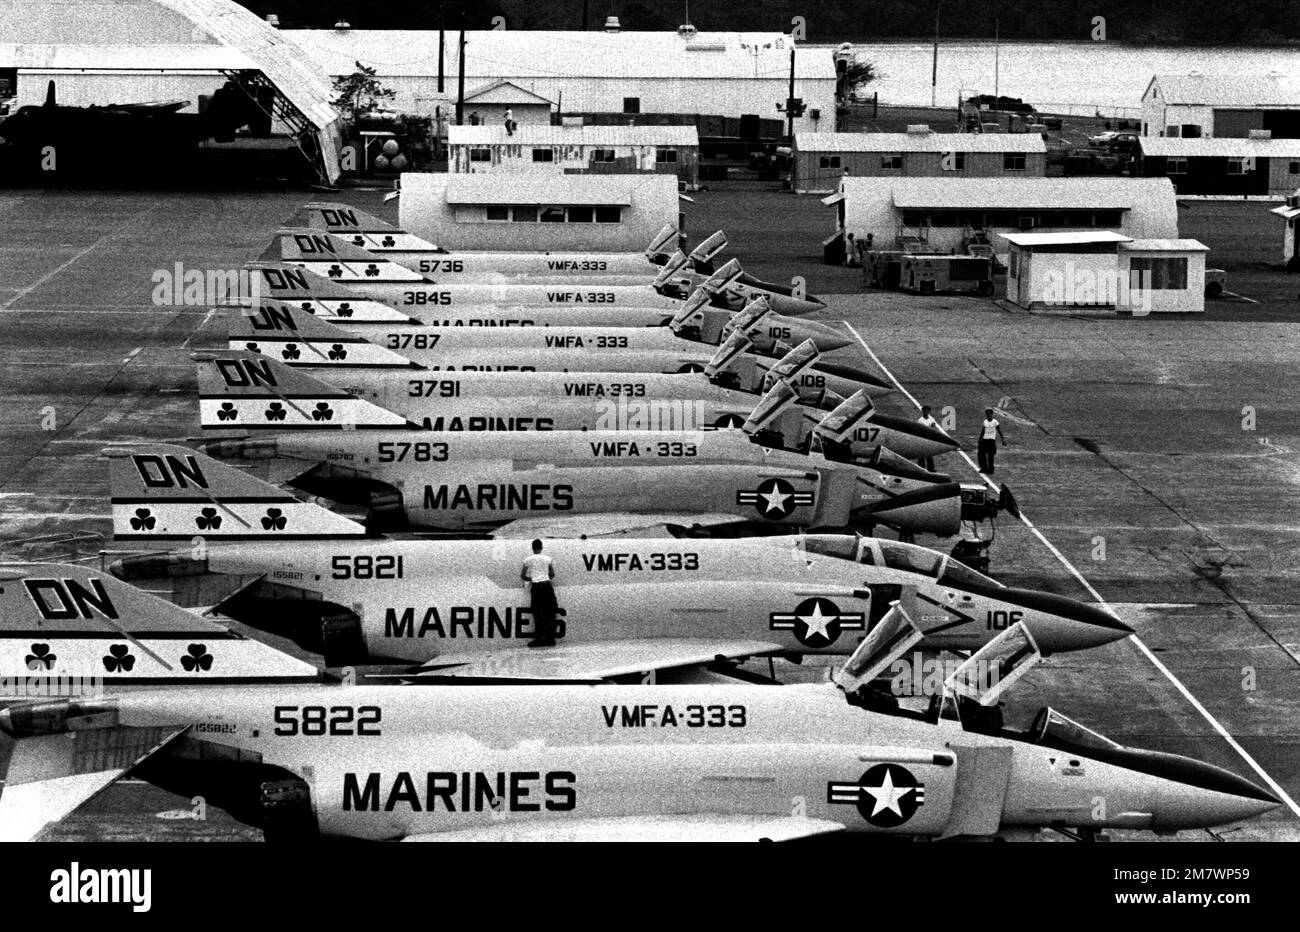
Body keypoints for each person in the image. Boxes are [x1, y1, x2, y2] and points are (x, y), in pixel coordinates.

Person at [521, 539, 557, 647]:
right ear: (541, 548)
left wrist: (532, 579)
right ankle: (551, 638)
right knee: (550, 612)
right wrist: (545, 578)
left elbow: (522, 575)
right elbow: (552, 573)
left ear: (532, 548)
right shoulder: (547, 559)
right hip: (547, 585)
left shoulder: (528, 560)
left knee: (538, 613)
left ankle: (539, 639)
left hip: (536, 586)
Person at [977, 408, 1007, 474]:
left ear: (991, 414)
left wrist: (1003, 439)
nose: (987, 415)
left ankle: (990, 470)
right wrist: (980, 438)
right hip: (985, 440)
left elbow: (999, 431)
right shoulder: (985, 422)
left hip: (991, 441)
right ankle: (984, 468)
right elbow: (983, 431)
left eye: (989, 414)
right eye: (986, 414)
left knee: (990, 456)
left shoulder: (995, 422)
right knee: (982, 455)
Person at [917, 405, 941, 472]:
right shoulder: (920, 420)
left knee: (929, 454)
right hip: (922, 439)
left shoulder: (931, 419)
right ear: (923, 411)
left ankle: (930, 468)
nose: (926, 412)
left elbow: (933, 427)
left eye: (927, 411)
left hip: (929, 439)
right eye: (925, 411)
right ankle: (921, 468)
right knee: (922, 454)